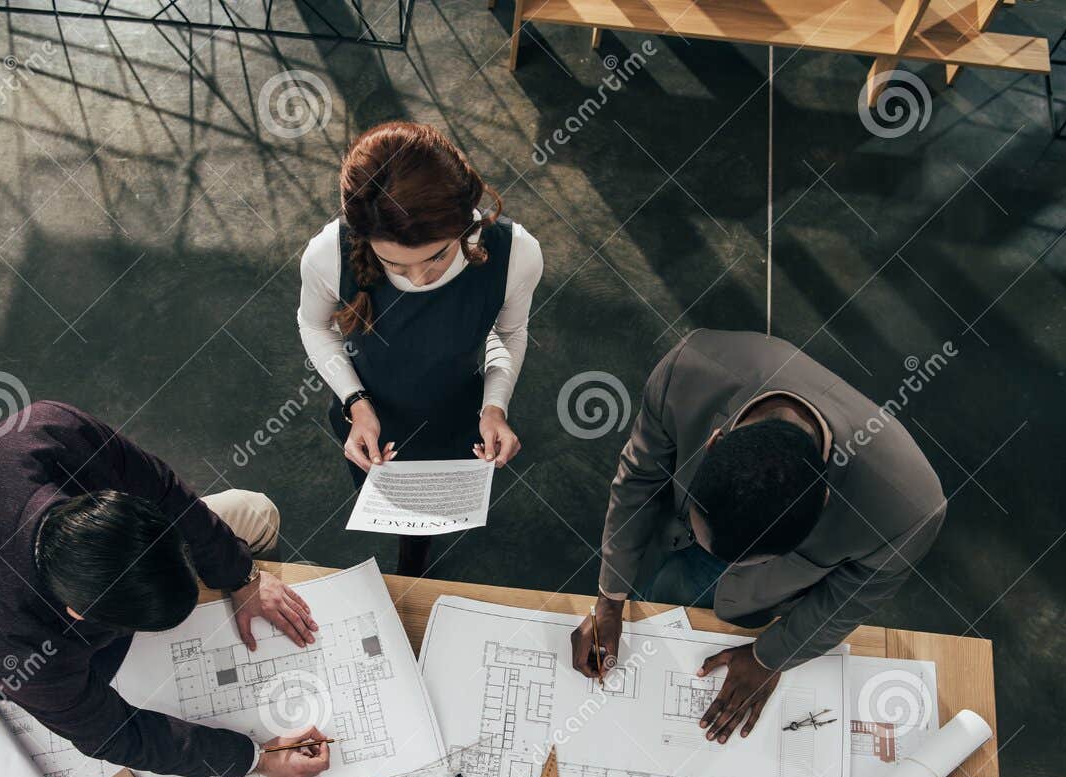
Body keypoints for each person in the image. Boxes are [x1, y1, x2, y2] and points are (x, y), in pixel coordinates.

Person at [0, 399, 330, 777]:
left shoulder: (52, 429)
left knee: (254, 509)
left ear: (118, 506)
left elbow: (163, 490)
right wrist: (251, 758)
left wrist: (243, 577)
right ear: (80, 616)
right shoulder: (20, 654)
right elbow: (112, 735)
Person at [571, 330, 946, 742]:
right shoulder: (688, 371)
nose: (724, 564)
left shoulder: (907, 511)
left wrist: (770, 657)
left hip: (761, 599)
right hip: (669, 534)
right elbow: (638, 480)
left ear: (822, 502)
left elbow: (847, 601)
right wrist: (609, 600)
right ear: (714, 443)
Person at [298, 120, 544, 577]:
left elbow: (509, 333)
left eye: (435, 257)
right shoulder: (326, 253)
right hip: (371, 416)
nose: (417, 279)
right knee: (392, 505)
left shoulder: (518, 253)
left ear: (464, 218)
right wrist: (356, 403)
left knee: (429, 523)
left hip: (457, 416)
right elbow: (313, 326)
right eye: (392, 263)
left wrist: (495, 407)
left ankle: (417, 551)